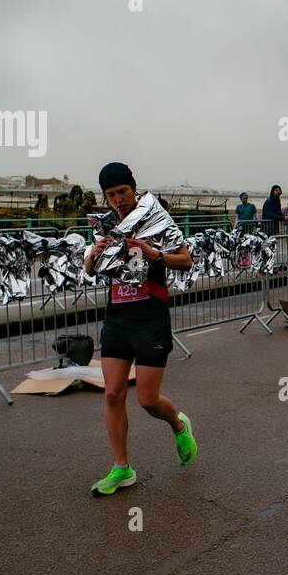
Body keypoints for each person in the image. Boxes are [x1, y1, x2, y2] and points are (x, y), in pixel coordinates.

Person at [84, 162, 197, 496]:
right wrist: (93, 255)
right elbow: (90, 270)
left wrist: (154, 254)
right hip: (118, 316)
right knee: (112, 393)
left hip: (150, 316)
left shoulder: (157, 219)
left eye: (123, 192)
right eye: (111, 195)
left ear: (134, 189)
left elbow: (186, 261)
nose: (118, 199)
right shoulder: (106, 226)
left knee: (147, 399)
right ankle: (122, 468)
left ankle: (178, 423)